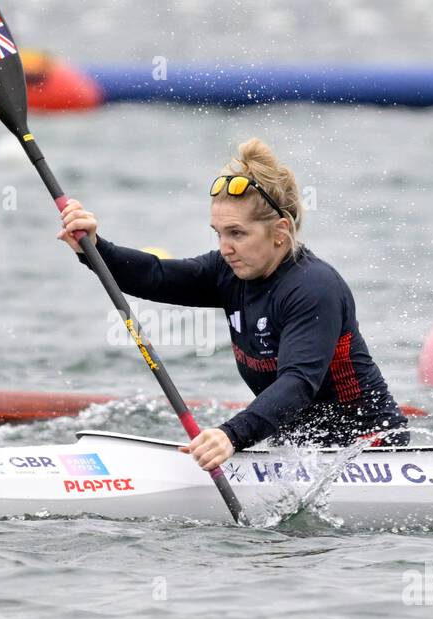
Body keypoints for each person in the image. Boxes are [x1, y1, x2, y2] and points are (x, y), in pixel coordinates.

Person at [57, 138, 409, 472]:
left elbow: (299, 383)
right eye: (219, 233)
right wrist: (94, 247)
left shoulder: (313, 288)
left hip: (370, 449)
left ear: (280, 232)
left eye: (237, 233)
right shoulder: (228, 272)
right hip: (300, 450)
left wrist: (231, 434)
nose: (225, 247)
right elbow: (156, 276)